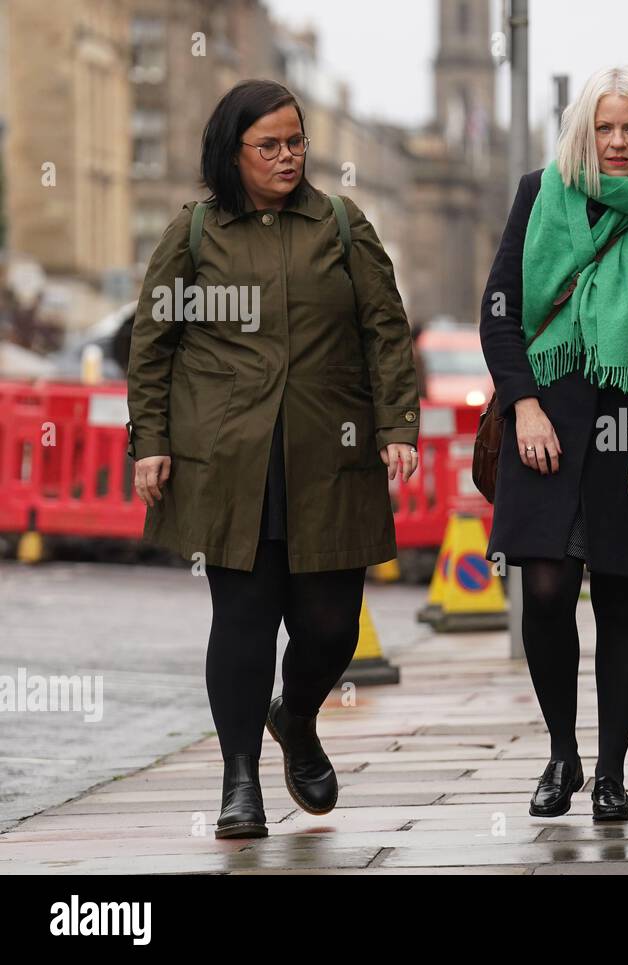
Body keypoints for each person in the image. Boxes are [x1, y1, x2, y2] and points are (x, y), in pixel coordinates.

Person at [127, 79, 421, 839]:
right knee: (244, 620)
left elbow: (385, 333)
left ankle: (296, 712)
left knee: (331, 626)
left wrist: (397, 426)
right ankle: (239, 782)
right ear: (233, 153)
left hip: (332, 456)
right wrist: (151, 441)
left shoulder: (342, 225)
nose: (288, 156)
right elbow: (152, 346)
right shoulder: (193, 232)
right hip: (232, 461)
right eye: (271, 145)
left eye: (296, 142)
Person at [479, 65, 628, 822]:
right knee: (546, 592)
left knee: (622, 600)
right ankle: (562, 751)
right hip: (544, 428)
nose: (616, 143)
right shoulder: (537, 193)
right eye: (605, 127)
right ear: (584, 129)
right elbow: (500, 313)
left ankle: (612, 771)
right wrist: (522, 406)